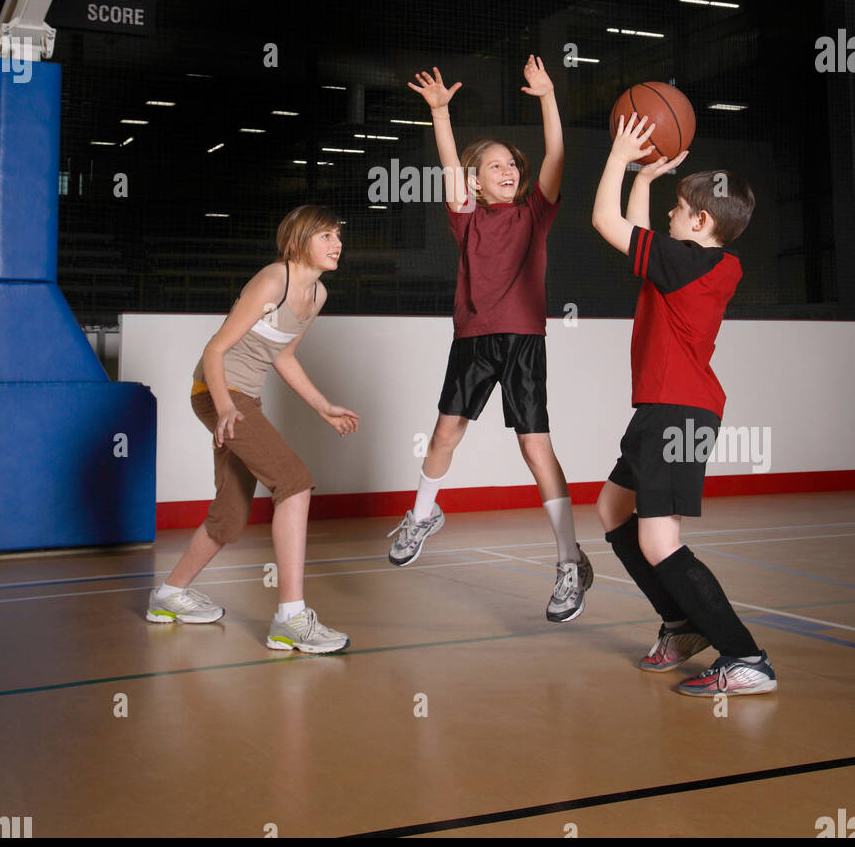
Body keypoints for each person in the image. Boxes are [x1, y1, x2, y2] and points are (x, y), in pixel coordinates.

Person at [387, 56, 593, 622]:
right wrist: (440, 113)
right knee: (442, 436)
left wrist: (549, 96)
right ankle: (424, 513)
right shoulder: (466, 217)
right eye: (493, 165)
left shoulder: (535, 213)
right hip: (472, 339)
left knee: (534, 447)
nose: (505, 169)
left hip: (523, 339)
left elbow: (555, 154)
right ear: (477, 181)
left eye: (510, 164)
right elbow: (450, 161)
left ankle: (568, 563)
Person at [592, 114, 776, 694]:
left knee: (658, 539)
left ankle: (747, 658)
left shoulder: (685, 262)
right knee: (613, 511)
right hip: (671, 408)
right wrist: (646, 182)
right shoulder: (697, 264)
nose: (670, 217)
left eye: (677, 208)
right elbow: (637, 236)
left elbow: (604, 220)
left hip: (677, 410)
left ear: (700, 220)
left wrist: (619, 157)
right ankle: (682, 624)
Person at [145, 204, 359, 654]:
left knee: (230, 515)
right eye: (325, 236)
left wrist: (322, 406)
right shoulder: (272, 281)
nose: (337, 244)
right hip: (217, 392)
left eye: (338, 235)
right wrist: (224, 408)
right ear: (299, 240)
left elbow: (282, 356)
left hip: (243, 400)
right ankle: (290, 619)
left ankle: (168, 596)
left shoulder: (316, 295)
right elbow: (215, 349)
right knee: (295, 483)